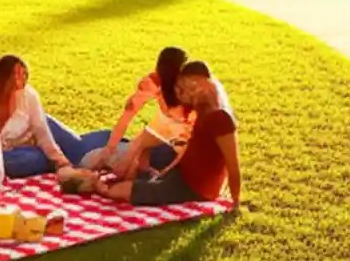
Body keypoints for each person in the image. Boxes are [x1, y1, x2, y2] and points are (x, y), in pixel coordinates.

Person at [95, 62, 241, 209]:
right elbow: (190, 146)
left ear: (209, 81)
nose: (190, 94)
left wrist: (235, 203)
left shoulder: (220, 117)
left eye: (194, 87)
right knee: (135, 178)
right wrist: (169, 170)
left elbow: (233, 165)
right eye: (186, 90)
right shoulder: (203, 104)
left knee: (119, 190)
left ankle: (106, 187)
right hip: (182, 174)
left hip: (195, 187)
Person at [0, 55, 112, 177]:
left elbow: (42, 132)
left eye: (24, 75)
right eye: (16, 75)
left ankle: (111, 137)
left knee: (77, 148)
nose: (21, 81)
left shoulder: (28, 95)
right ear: (2, 78)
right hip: (17, 151)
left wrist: (61, 161)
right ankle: (57, 160)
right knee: (15, 162)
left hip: (41, 130)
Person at [85, 46, 190, 178]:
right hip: (167, 132)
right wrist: (110, 148)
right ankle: (136, 175)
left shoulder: (188, 87)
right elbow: (129, 114)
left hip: (182, 139)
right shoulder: (154, 82)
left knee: (132, 150)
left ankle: (127, 179)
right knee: (133, 151)